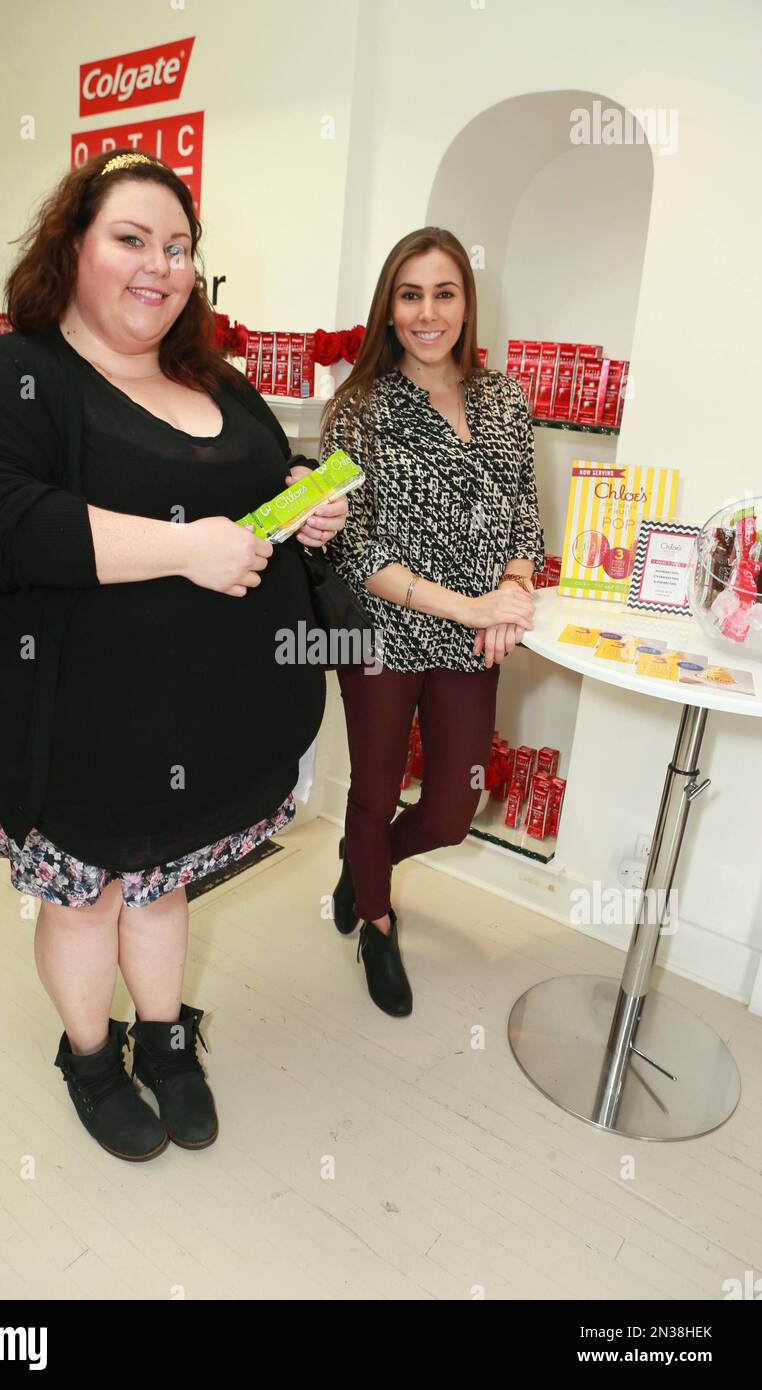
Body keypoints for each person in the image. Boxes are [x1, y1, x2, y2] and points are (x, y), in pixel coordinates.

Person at [0, 148, 348, 1162]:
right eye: (130, 239)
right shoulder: (11, 376)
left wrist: (301, 501)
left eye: (178, 247)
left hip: (199, 724)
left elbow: (250, 487)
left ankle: (164, 1040)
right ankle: (86, 1054)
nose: (159, 265)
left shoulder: (216, 380)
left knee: (159, 888)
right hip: (77, 727)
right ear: (71, 247)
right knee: (86, 902)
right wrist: (183, 548)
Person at [320, 227, 544, 1016]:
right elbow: (357, 548)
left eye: (443, 293)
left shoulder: (505, 400)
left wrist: (513, 589)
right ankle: (376, 921)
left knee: (452, 808)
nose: (426, 311)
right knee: (376, 789)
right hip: (384, 634)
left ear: (465, 303)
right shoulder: (358, 409)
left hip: (473, 643)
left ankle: (363, 861)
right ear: (389, 307)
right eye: (409, 294)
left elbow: (522, 514)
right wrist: (471, 606)